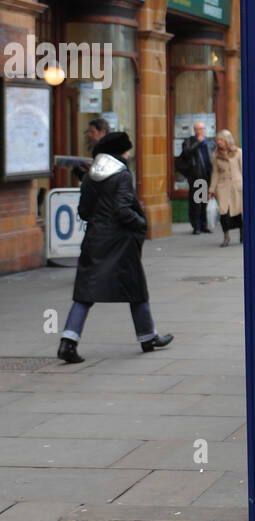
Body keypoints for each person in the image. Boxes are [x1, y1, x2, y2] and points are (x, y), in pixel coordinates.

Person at [57, 132, 173, 363]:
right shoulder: (121, 176)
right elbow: (122, 210)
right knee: (135, 288)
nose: (129, 154)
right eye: (127, 150)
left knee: (84, 293)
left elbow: (83, 211)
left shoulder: (90, 177)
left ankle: (68, 342)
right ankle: (148, 337)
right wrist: (141, 223)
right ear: (120, 152)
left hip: (94, 239)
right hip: (120, 243)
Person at [177, 120, 215, 234]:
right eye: (198, 129)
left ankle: (203, 225)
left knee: (203, 201)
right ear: (195, 130)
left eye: (203, 129)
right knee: (196, 202)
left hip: (207, 175)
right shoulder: (189, 141)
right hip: (196, 176)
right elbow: (187, 152)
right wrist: (198, 142)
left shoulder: (208, 142)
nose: (201, 131)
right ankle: (196, 226)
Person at [209, 129, 243, 247]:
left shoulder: (238, 152)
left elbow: (242, 169)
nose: (219, 142)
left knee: (239, 211)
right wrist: (211, 190)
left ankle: (242, 233)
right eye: (218, 140)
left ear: (228, 141)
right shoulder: (216, 155)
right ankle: (226, 236)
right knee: (224, 212)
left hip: (237, 186)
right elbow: (215, 173)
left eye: (222, 140)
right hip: (223, 187)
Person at [71, 116, 109, 182]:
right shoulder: (99, 149)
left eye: (92, 132)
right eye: (89, 132)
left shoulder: (109, 151)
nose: (90, 135)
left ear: (102, 133)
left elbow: (102, 178)